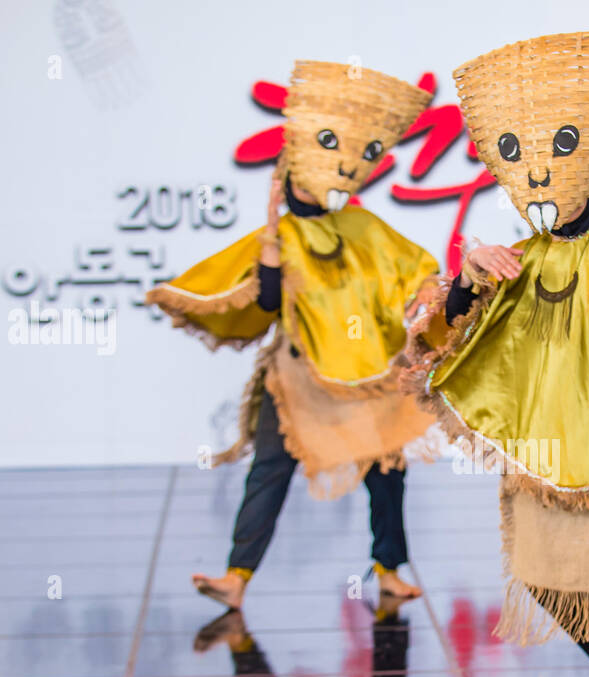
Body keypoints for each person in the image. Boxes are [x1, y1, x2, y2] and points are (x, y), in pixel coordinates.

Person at [403, 30, 589, 677]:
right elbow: (454, 332)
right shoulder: (517, 257)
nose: (537, 175)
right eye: (520, 157)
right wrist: (467, 281)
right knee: (544, 574)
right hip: (537, 451)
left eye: (556, 149)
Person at [147, 61, 442, 607]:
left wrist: (426, 294)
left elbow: (414, 269)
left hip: (369, 371)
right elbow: (261, 305)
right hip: (297, 374)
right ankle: (236, 577)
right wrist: (269, 251)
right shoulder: (277, 235)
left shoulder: (362, 227)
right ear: (291, 173)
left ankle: (389, 570)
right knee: (269, 470)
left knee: (385, 473)